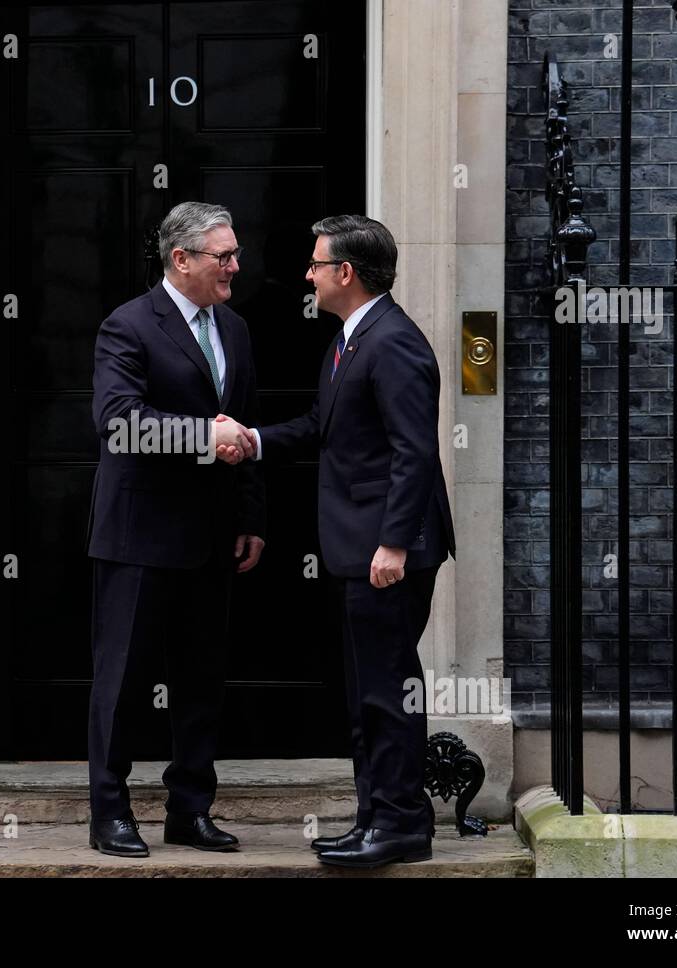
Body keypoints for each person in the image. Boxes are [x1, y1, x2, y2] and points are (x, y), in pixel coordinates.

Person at [220, 215, 455, 868]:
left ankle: (403, 826)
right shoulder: (352, 339)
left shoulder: (393, 342)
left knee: (387, 692)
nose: (308, 274)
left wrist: (396, 545)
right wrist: (255, 439)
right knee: (365, 695)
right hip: (360, 546)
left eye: (317, 263)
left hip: (386, 552)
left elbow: (414, 454)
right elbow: (324, 425)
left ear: (345, 273)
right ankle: (374, 818)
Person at [86, 201, 265, 857]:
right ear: (181, 259)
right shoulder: (127, 326)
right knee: (122, 683)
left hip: (213, 535)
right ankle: (110, 814)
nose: (236, 266)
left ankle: (190, 811)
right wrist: (201, 436)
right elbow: (118, 422)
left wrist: (250, 518)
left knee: (201, 683)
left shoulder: (237, 329)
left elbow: (243, 424)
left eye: (236, 253)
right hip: (138, 534)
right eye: (224, 255)